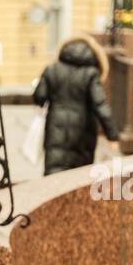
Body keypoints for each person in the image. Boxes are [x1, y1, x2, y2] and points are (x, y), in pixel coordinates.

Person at [32, 33, 119, 175]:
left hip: (55, 127)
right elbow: (100, 105)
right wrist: (112, 136)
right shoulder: (91, 74)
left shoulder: (52, 69)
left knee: (54, 170)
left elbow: (39, 97)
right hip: (83, 132)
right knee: (78, 175)